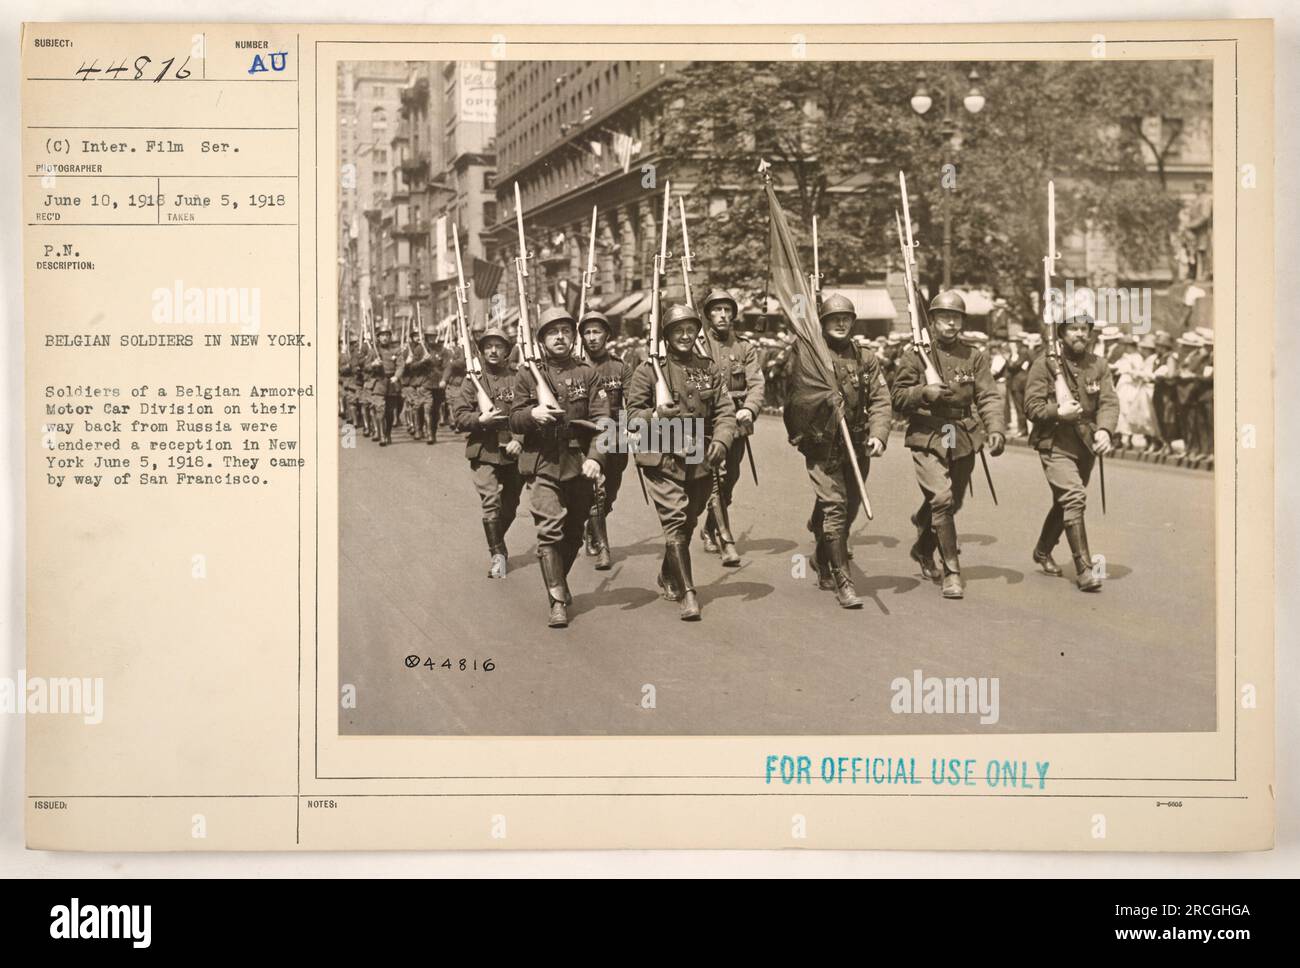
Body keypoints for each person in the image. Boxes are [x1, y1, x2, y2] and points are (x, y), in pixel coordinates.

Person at [891, 291, 1006, 599]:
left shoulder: (974, 356)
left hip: (961, 433)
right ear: (933, 321)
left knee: (951, 501)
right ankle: (952, 571)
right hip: (928, 433)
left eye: (956, 318)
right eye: (944, 317)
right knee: (941, 499)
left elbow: (988, 396)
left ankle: (923, 547)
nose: (951, 323)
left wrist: (995, 428)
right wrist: (923, 392)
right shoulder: (916, 354)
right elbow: (898, 396)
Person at [625, 303, 735, 621]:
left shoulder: (708, 368)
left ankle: (668, 573)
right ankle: (689, 593)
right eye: (678, 331)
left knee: (689, 519)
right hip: (662, 455)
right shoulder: (649, 370)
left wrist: (721, 440)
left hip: (698, 454)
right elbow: (631, 416)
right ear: (667, 335)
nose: (685, 336)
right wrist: (656, 414)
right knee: (675, 518)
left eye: (691, 330)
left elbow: (724, 410)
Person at [783, 293, 892, 609]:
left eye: (846, 318)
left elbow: (881, 400)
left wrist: (879, 435)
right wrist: (825, 405)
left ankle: (821, 556)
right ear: (823, 322)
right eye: (834, 318)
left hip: (857, 445)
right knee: (835, 507)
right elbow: (795, 399)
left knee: (850, 509)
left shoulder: (865, 358)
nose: (841, 323)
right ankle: (843, 580)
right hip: (823, 444)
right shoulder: (810, 355)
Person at [509, 307, 609, 629]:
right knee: (550, 528)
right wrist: (531, 415)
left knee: (574, 533)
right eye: (553, 332)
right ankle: (556, 600)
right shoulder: (527, 375)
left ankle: (559, 582)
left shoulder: (587, 374)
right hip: (543, 462)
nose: (561, 337)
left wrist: (596, 457)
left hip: (578, 461)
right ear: (541, 340)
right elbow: (514, 417)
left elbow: (603, 421)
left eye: (566, 331)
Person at [1023, 299, 1119, 591]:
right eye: (1073, 328)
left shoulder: (1098, 365)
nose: (1080, 334)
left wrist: (1104, 430)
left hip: (1085, 444)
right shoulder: (1044, 364)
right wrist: (1056, 412)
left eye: (1084, 328)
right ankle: (1085, 568)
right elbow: (1031, 406)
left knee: (1065, 501)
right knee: (1074, 497)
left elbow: (1108, 402)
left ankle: (1042, 549)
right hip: (1054, 443)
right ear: (1062, 333)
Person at [698, 289, 765, 566]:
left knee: (729, 481)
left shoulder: (745, 348)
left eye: (727, 310)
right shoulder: (698, 346)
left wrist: (750, 408)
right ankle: (726, 540)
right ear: (708, 315)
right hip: (705, 423)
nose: (723, 315)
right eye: (717, 310)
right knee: (714, 477)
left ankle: (709, 527)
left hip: (737, 421)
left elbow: (757, 382)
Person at [452, 326, 524, 579]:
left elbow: (530, 412)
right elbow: (459, 416)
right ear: (481, 350)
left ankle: (497, 542)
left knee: (511, 506)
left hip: (513, 450)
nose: (493, 351)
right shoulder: (473, 379)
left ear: (507, 350)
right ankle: (498, 554)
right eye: (488, 346)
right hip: (484, 449)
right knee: (490, 500)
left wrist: (520, 439)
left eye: (499, 346)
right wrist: (480, 419)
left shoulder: (519, 377)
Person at [577, 309, 634, 570]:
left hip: (616, 438)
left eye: (596, 331)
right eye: (587, 332)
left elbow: (632, 401)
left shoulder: (620, 367)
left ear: (607, 335)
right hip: (588, 439)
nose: (591, 337)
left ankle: (592, 528)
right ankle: (603, 548)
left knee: (610, 494)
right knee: (596, 492)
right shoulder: (576, 367)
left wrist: (632, 426)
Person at [1112, 334, 1156, 450]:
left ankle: (1128, 438)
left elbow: (1138, 373)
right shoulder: (1125, 357)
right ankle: (1120, 438)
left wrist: (1129, 372)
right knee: (1121, 413)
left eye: (1127, 345)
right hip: (1123, 387)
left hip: (1131, 388)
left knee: (1127, 412)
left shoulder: (1137, 358)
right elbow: (1116, 367)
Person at [364, 323, 402, 446]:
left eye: (387, 335)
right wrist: (373, 364)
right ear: (378, 337)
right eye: (382, 335)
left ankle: (388, 433)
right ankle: (382, 436)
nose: (385, 338)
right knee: (380, 409)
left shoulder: (395, 350)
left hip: (392, 382)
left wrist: (397, 376)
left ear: (390, 337)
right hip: (379, 382)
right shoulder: (373, 351)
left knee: (390, 412)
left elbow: (401, 365)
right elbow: (366, 367)